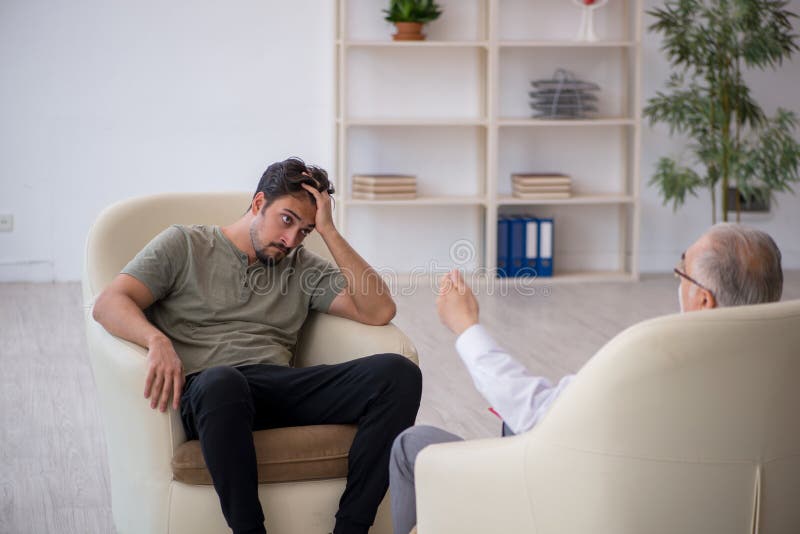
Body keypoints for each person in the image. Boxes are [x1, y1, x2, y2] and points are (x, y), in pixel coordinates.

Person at [92, 157, 423, 534]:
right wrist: (156, 339)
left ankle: (351, 528)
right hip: (210, 395)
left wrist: (329, 231)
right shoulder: (184, 244)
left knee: (398, 374)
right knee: (223, 382)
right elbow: (109, 302)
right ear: (258, 203)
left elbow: (379, 309)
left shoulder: (302, 266)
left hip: (277, 388)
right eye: (287, 220)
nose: (291, 239)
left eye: (305, 230)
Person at [388, 223, 783, 534]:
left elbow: (537, 412)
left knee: (412, 446)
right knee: (510, 421)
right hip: (704, 507)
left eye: (682, 269)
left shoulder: (652, 363)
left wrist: (466, 326)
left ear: (702, 300)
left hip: (587, 506)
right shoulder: (780, 376)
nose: (677, 281)